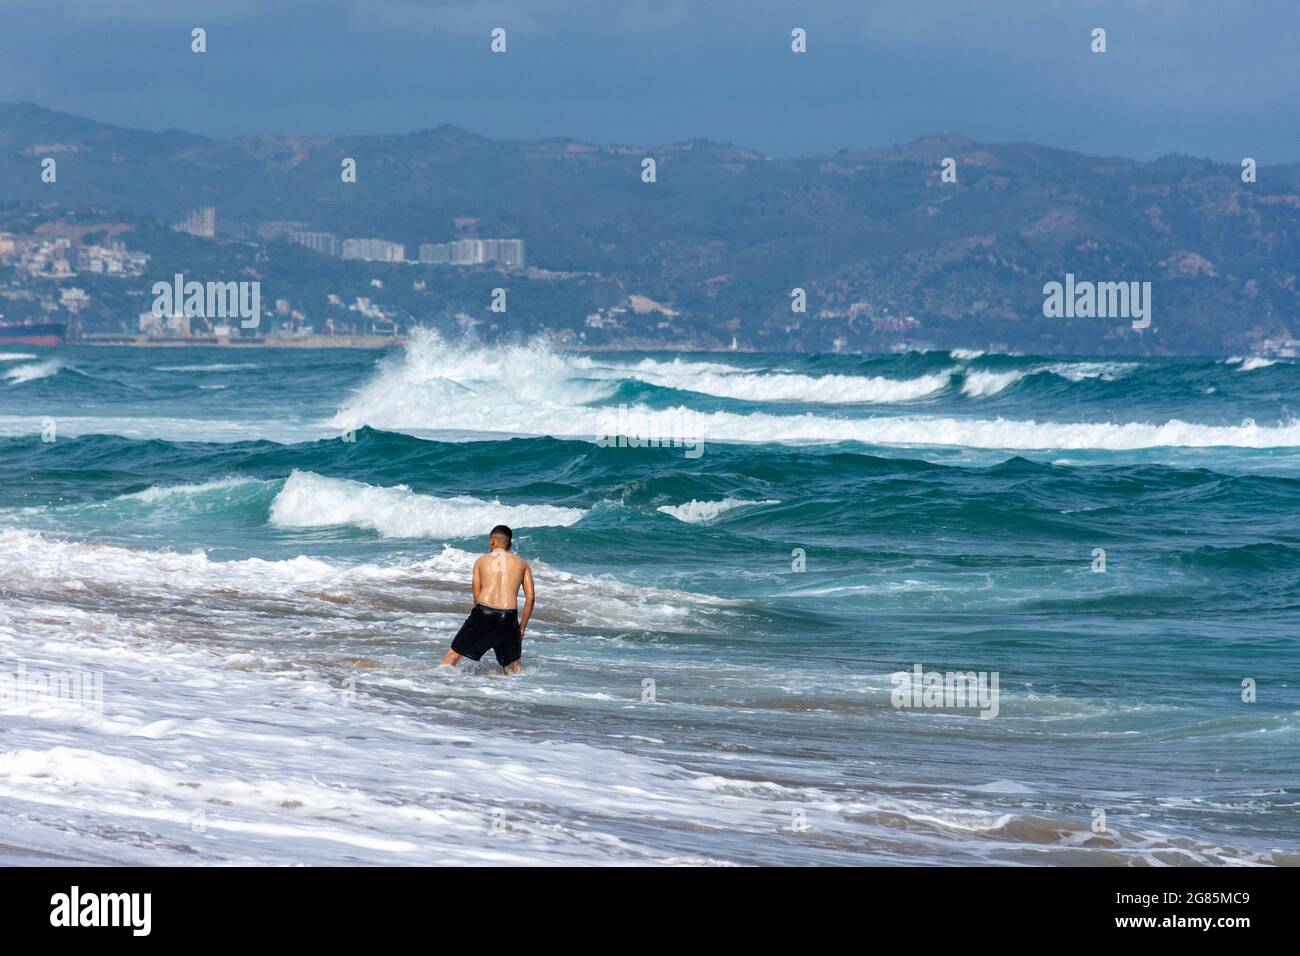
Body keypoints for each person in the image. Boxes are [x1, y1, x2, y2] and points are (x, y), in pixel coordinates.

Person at [437, 525, 534, 674]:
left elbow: (477, 597)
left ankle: (432, 683)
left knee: (452, 658)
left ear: (492, 541)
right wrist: (521, 628)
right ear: (510, 544)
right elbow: (531, 598)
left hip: (483, 612)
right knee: (514, 668)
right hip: (509, 616)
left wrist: (478, 624)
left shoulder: (481, 561)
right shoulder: (522, 563)